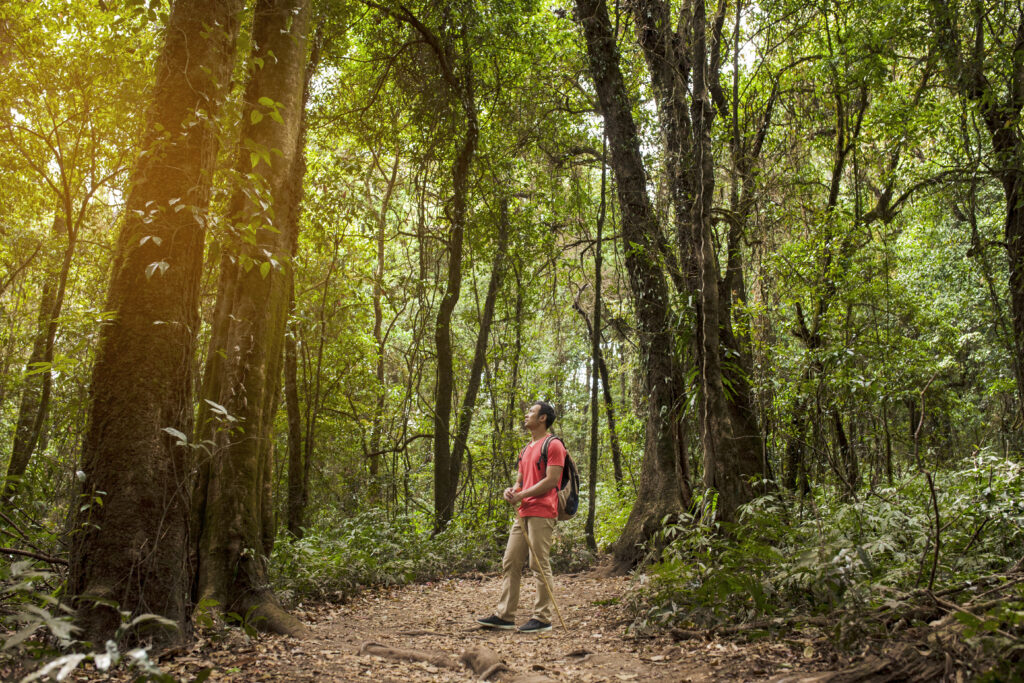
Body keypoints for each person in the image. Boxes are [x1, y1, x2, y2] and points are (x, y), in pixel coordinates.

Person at [477, 400, 565, 633]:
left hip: (543, 511)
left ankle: (542, 618)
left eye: (531, 412)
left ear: (543, 418)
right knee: (510, 561)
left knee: (538, 563)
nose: (526, 415)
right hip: (522, 511)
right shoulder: (526, 448)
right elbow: (520, 480)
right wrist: (512, 491)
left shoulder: (553, 444)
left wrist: (522, 494)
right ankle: (505, 615)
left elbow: (551, 481)